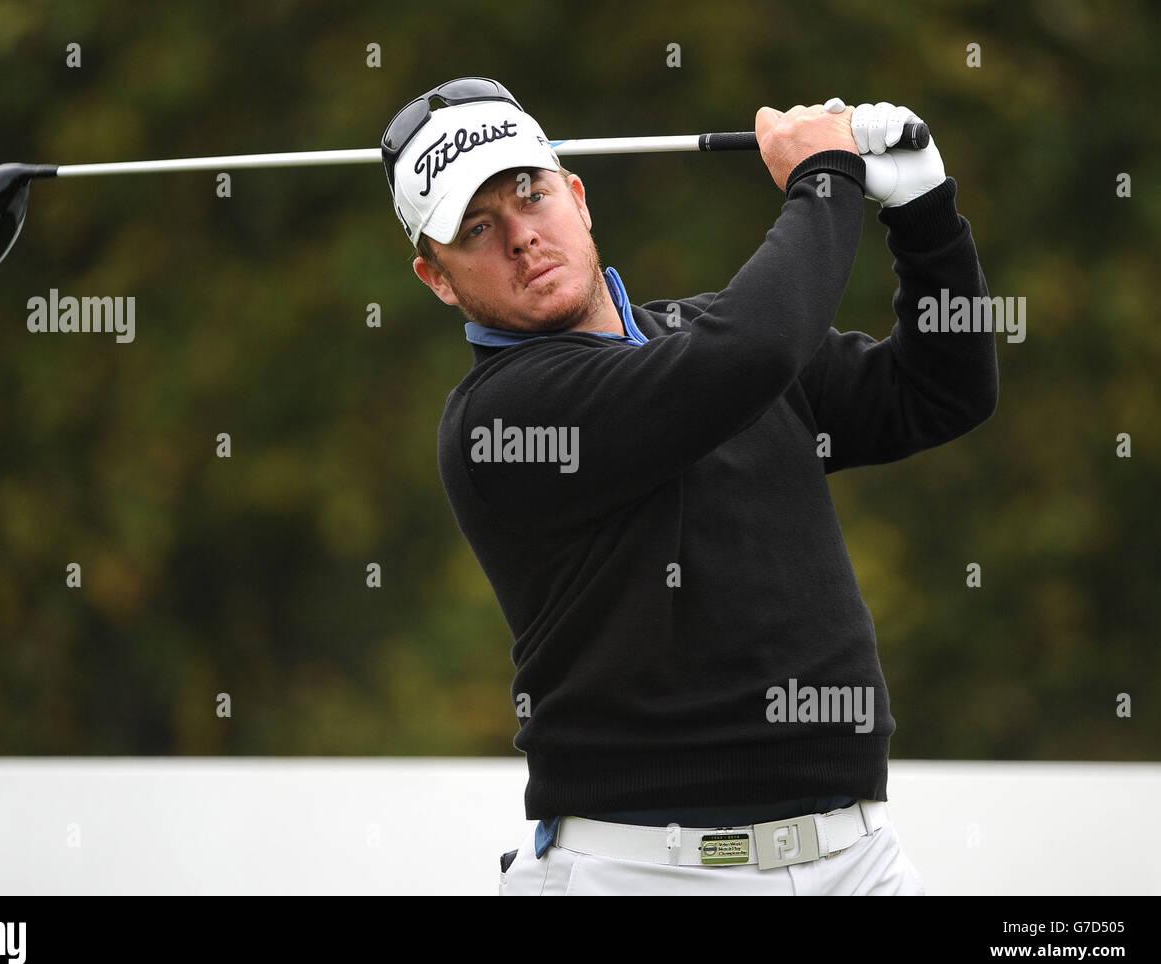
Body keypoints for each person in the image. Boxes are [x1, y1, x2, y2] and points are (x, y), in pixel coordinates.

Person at [381, 77, 997, 895]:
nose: (521, 237)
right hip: (640, 869)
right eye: (477, 227)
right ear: (438, 278)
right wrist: (825, 177)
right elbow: (747, 355)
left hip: (858, 860)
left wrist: (924, 212)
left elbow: (944, 390)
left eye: (530, 194)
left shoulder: (705, 342)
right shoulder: (503, 419)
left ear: (578, 195)